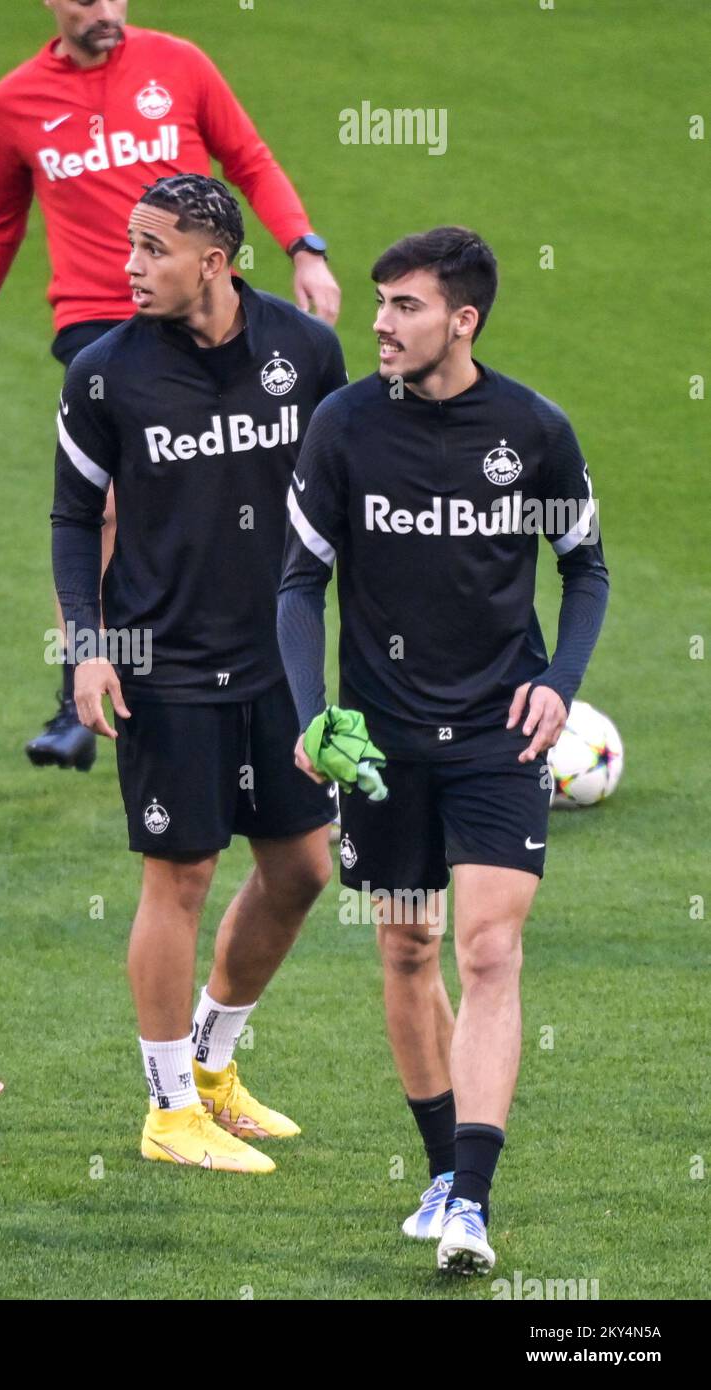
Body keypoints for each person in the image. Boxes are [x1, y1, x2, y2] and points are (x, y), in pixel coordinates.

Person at [277, 227, 609, 1266]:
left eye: (404, 306)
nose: (378, 323)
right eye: (377, 303)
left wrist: (557, 686)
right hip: (379, 742)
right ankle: (434, 1171)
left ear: (460, 321)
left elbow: (584, 569)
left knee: (487, 948)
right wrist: (309, 713)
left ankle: (469, 1199)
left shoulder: (531, 429)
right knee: (405, 944)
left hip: (495, 735)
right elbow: (299, 581)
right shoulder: (340, 427)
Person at [0, 0, 341, 769]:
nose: (105, 10)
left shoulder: (180, 63)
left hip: (206, 322)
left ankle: (251, 671)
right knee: (102, 506)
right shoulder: (16, 102)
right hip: (98, 328)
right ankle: (79, 684)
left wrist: (303, 247)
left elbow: (248, 158)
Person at [52, 174, 346, 1171]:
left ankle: (215, 1067)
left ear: (212, 262)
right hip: (161, 661)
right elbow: (68, 516)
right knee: (178, 878)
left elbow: (337, 497)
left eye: (150, 249)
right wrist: (86, 645)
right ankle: (167, 1108)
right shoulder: (102, 373)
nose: (127, 266)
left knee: (302, 867)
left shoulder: (303, 352)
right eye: (128, 246)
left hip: (276, 661)